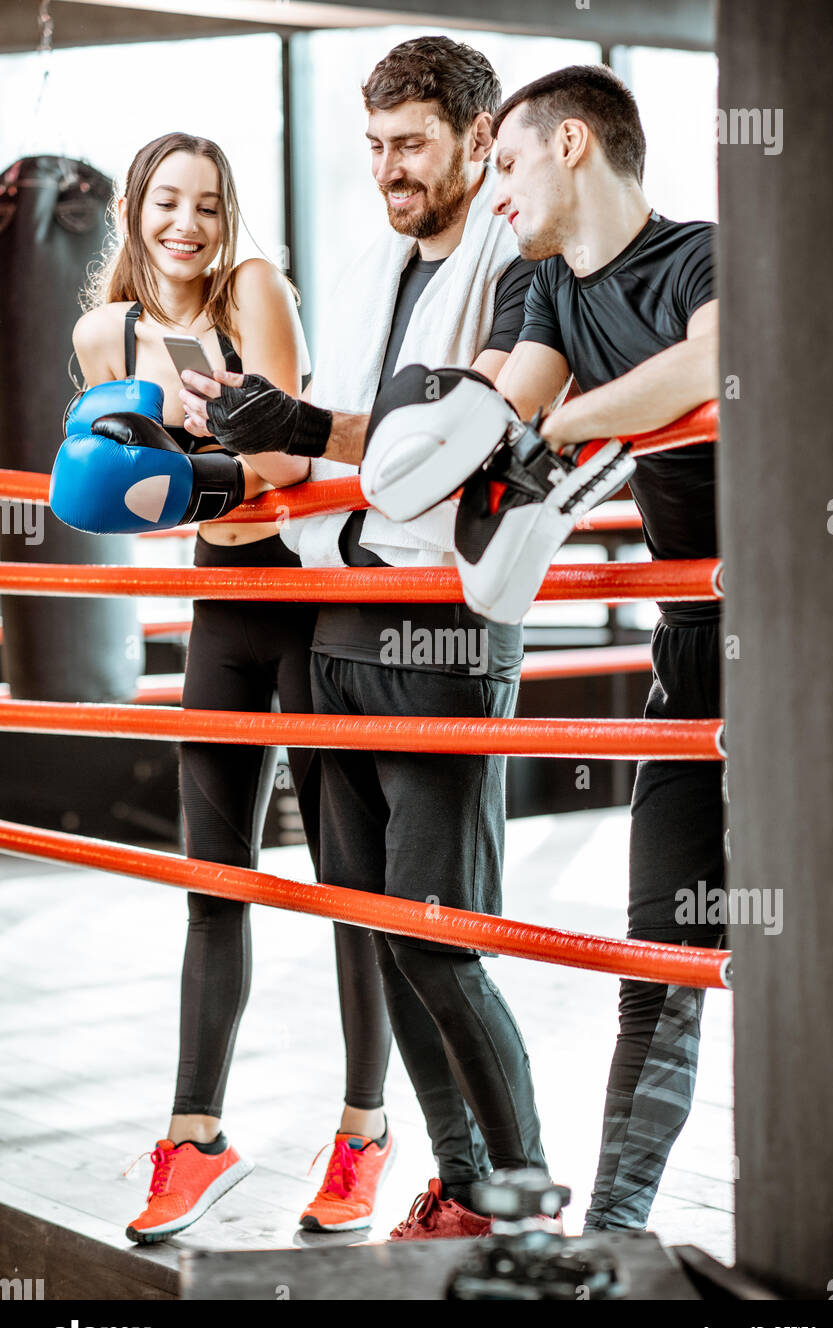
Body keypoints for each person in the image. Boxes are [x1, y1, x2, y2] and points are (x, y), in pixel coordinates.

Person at [182, 37, 551, 1239]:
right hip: (336, 617)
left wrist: (326, 426)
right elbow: (337, 445)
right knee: (378, 932)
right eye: (377, 146)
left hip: (441, 626)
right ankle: (458, 1183)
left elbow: (437, 445)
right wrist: (229, 442)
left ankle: (527, 1204)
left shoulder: (515, 262)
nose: (390, 169)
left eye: (413, 144)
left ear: (478, 133)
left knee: (440, 936)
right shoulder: (368, 261)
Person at [69, 131, 382, 1244]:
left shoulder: (259, 288)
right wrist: (164, 475)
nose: (186, 223)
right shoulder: (104, 332)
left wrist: (179, 471)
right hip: (220, 609)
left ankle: (363, 1132)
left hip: (306, 601)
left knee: (350, 882)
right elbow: (111, 488)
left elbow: (288, 463)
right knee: (216, 875)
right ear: (136, 212)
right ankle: (195, 1134)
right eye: (165, 201)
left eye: (207, 202)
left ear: (227, 212)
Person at [486, 65, 722, 1231]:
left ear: (571, 143)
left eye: (509, 163)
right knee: (664, 956)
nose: (498, 194)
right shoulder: (548, 294)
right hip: (695, 655)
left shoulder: (704, 254)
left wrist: (572, 422)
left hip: (821, 646)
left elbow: (712, 365)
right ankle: (616, 1235)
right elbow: (500, 411)